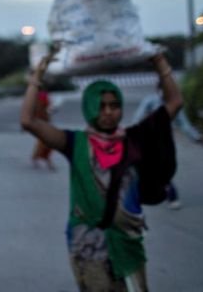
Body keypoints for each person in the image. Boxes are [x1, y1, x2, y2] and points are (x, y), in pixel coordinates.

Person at [20, 51, 183, 291]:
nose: (108, 111)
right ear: (89, 106)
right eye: (101, 105)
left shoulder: (135, 138)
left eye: (114, 105)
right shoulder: (74, 142)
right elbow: (28, 122)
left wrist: (160, 62)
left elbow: (174, 103)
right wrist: (37, 76)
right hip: (87, 245)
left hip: (128, 240)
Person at [132, 82, 203, 210]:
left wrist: (196, 137)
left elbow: (184, 124)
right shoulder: (150, 101)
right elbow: (137, 118)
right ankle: (166, 194)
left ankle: (169, 194)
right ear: (158, 89)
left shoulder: (174, 106)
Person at [30, 89, 56, 171]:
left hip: (42, 121)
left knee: (44, 141)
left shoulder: (35, 97)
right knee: (45, 141)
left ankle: (38, 158)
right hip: (41, 122)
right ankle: (46, 160)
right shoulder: (41, 96)